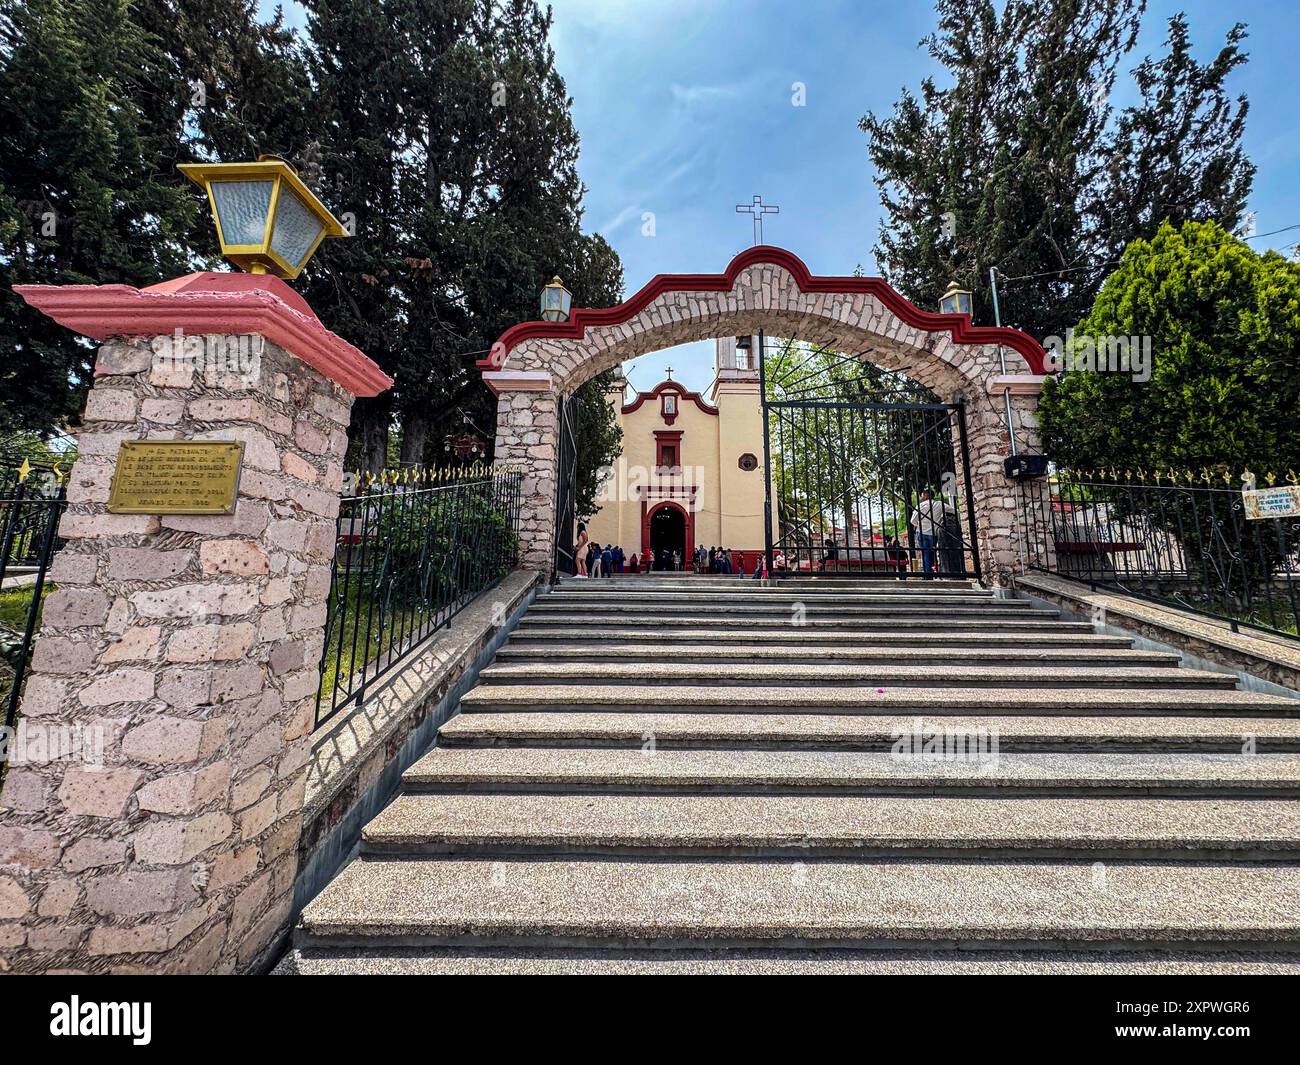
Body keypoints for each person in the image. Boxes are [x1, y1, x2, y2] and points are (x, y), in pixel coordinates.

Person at [910, 489, 950, 577]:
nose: (921, 497)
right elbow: (953, 510)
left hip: (921, 532)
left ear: (926, 496)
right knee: (933, 552)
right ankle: (933, 569)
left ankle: (928, 573)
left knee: (925, 553)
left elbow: (913, 520)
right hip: (933, 533)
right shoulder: (940, 504)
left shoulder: (920, 505)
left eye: (922, 495)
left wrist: (918, 524)